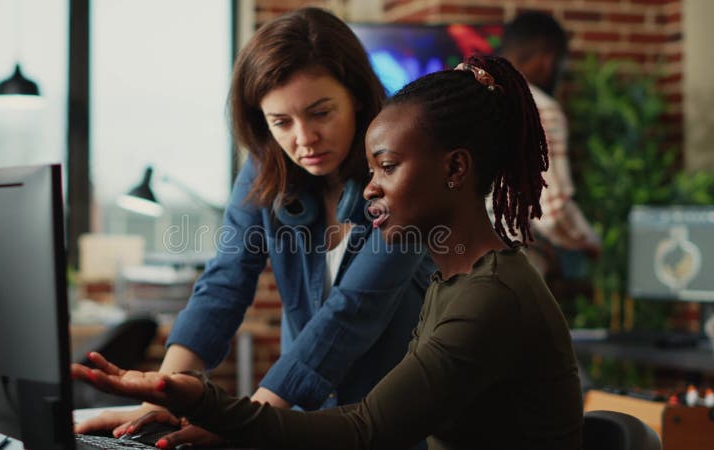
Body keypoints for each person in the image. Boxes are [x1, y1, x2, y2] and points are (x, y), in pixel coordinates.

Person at [73, 55, 584, 450]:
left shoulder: (488, 297)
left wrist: (207, 404)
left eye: (386, 167)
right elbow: (226, 279)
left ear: (454, 169)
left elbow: (366, 425)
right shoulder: (451, 283)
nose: (367, 189)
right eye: (280, 122)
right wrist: (182, 397)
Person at [75, 6, 433, 446]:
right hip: (304, 421)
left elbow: (353, 310)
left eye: (320, 113)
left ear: (356, 96)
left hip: (397, 426)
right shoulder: (267, 165)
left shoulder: (404, 174)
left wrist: (239, 423)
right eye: (281, 122)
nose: (303, 139)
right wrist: (160, 397)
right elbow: (225, 283)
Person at [498, 11, 601, 275]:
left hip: (449, 260)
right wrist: (589, 242)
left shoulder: (464, 98)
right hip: (510, 264)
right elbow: (553, 210)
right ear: (548, 60)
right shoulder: (540, 109)